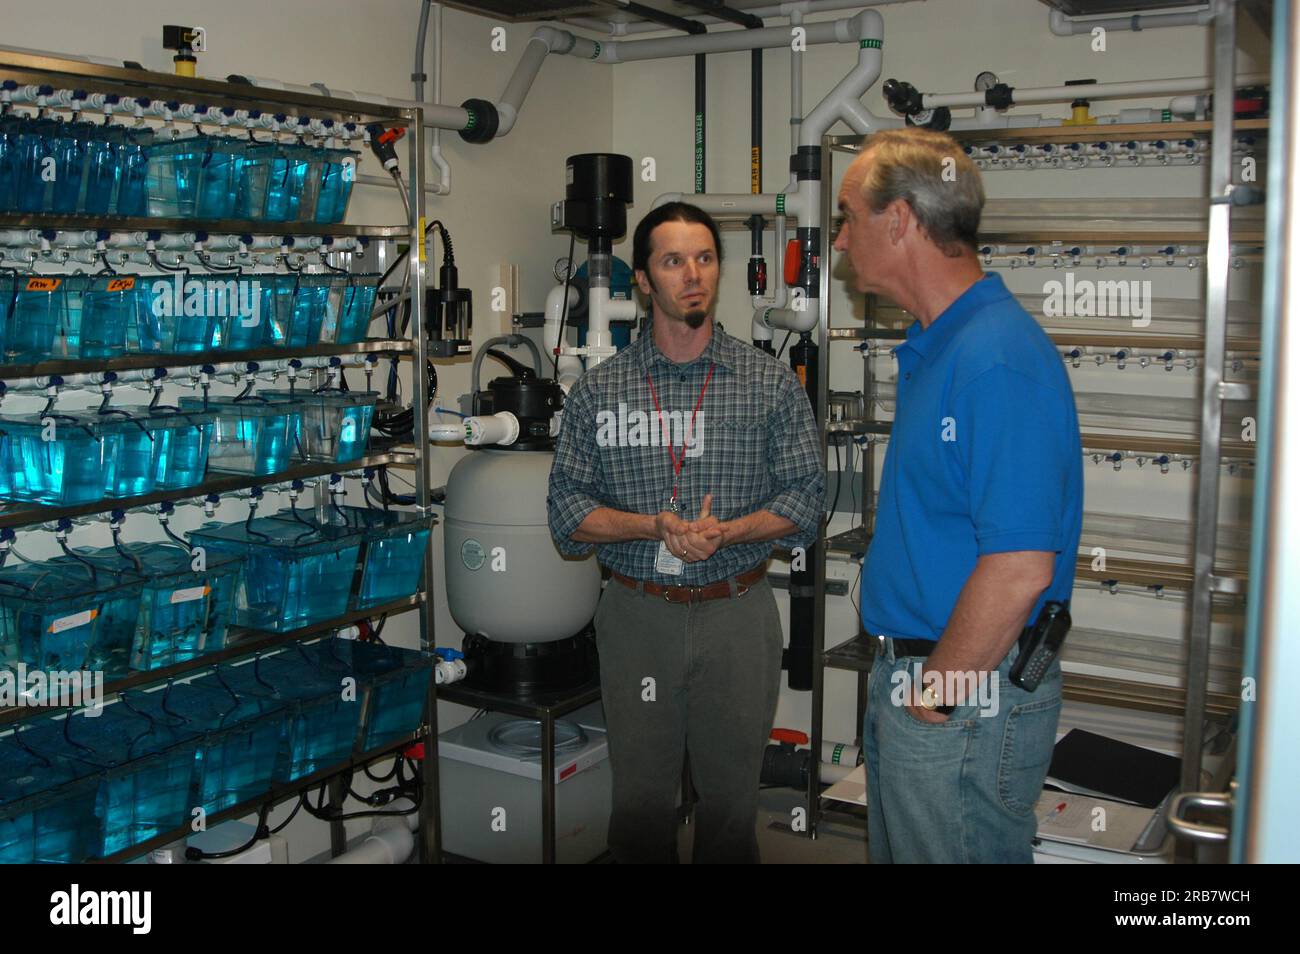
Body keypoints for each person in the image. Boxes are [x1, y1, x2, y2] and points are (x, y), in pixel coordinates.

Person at [832, 128, 1083, 863]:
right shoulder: (938, 345)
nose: (842, 241)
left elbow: (1019, 569)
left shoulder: (995, 359)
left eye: (849, 215)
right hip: (934, 684)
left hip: (964, 697)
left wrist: (933, 700)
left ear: (900, 220)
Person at [547, 201, 825, 864]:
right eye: (672, 261)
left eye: (704, 257)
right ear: (642, 280)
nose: (692, 273)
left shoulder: (768, 383)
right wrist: (651, 526)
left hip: (738, 613)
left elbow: (807, 501)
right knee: (640, 810)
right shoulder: (599, 391)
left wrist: (729, 533)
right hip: (638, 615)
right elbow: (566, 515)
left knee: (731, 810)